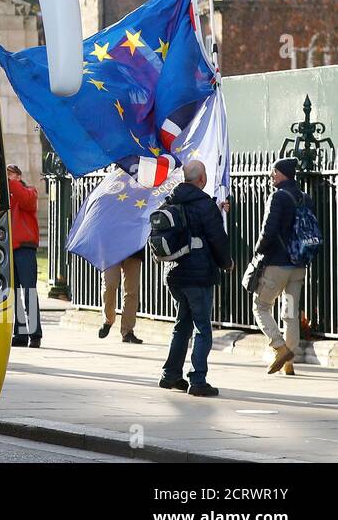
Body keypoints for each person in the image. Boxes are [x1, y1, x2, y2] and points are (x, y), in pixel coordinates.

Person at [159, 160, 233, 397]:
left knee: (182, 325)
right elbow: (217, 238)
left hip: (174, 273)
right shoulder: (203, 204)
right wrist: (227, 262)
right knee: (203, 329)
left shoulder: (170, 200)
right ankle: (198, 379)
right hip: (198, 275)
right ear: (201, 179)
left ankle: (170, 375)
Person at [251, 157, 309, 375]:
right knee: (291, 311)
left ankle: (279, 347)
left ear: (282, 173)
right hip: (299, 264)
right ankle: (289, 363)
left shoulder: (277, 197)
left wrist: (258, 250)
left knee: (260, 305)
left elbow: (268, 230)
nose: (271, 175)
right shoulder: (305, 198)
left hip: (277, 263)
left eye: (274, 172)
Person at [7, 165, 42, 348]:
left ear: (19, 176)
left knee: (29, 291)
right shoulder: (6, 196)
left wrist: (12, 184)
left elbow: (26, 201)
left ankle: (35, 333)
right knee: (14, 293)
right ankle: (20, 333)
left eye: (10, 174)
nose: (7, 178)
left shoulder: (29, 191)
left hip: (25, 248)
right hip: (8, 248)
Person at [99, 248, 144, 343]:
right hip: (111, 246)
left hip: (134, 246)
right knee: (109, 285)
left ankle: (127, 331)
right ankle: (108, 319)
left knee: (132, 291)